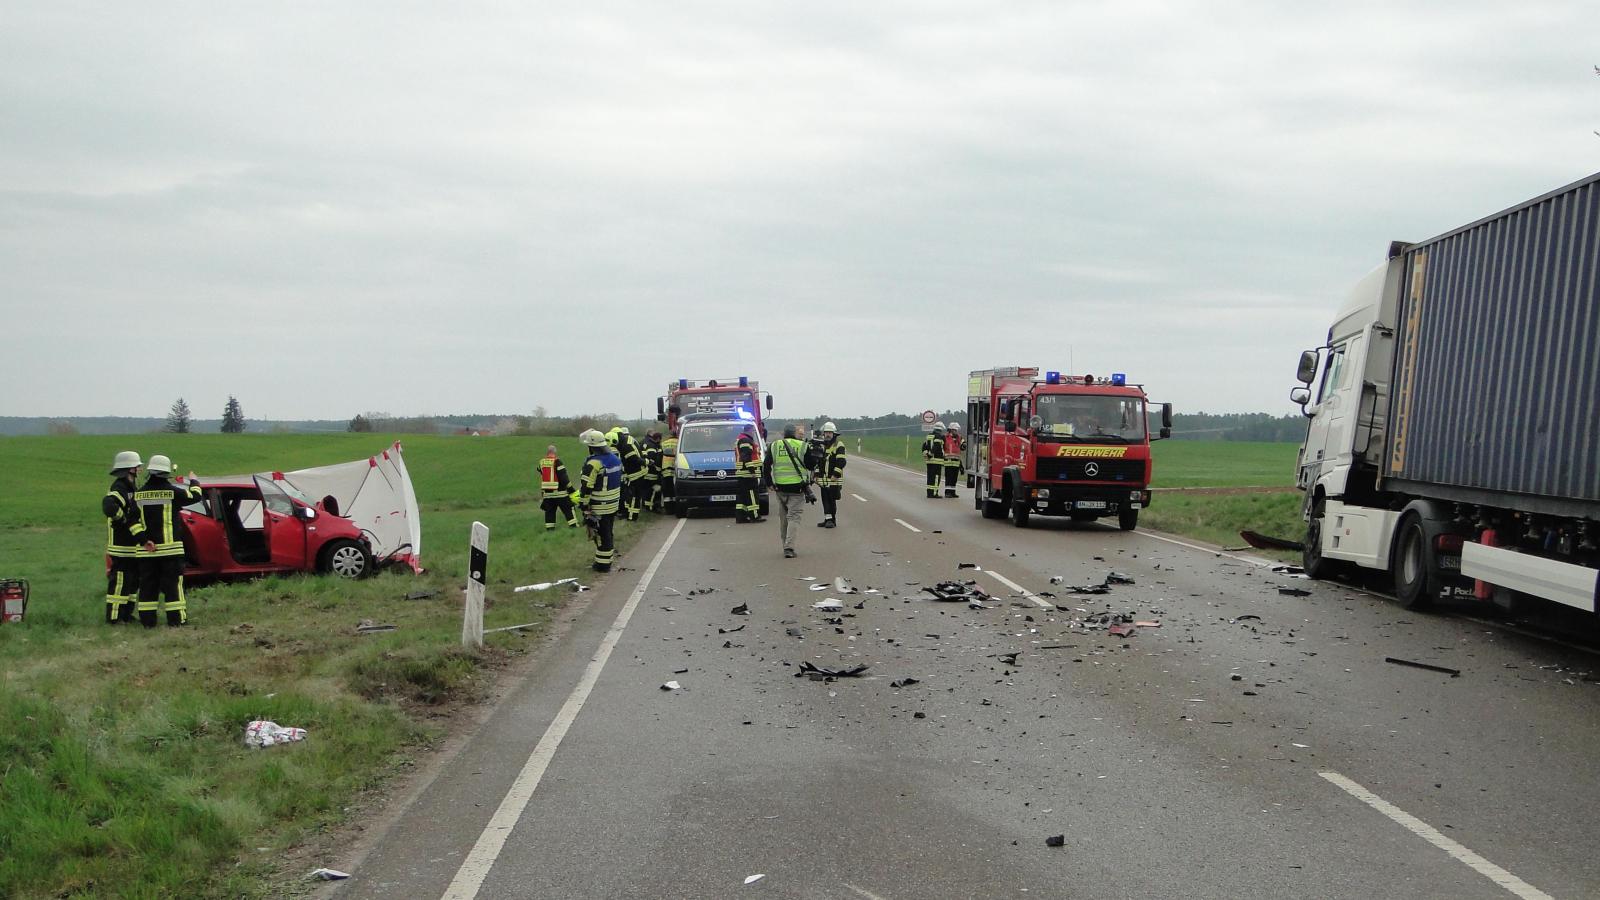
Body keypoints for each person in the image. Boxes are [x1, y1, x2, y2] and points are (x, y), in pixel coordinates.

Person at [133, 454, 203, 627]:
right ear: (166, 473)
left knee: (148, 587)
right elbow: (195, 496)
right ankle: (176, 620)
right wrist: (194, 481)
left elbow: (132, 522)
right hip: (170, 551)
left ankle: (148, 622)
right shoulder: (173, 492)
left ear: (150, 472)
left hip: (146, 552)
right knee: (173, 586)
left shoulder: (138, 495)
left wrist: (144, 540)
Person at [102, 450, 147, 624]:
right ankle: (114, 617)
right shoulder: (119, 487)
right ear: (130, 469)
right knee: (120, 583)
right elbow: (109, 506)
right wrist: (124, 519)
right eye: (137, 467)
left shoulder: (131, 487)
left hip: (133, 546)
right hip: (121, 546)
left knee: (132, 583)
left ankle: (127, 615)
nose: (140, 470)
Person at [763, 423, 813, 558]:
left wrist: (769, 483)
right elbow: (810, 465)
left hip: (780, 487)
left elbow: (766, 465)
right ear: (795, 433)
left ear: (783, 433)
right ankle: (789, 548)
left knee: (784, 518)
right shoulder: (802, 445)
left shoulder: (774, 445)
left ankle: (784, 544)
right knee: (794, 517)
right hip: (797, 487)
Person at [577, 429, 623, 572]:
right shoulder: (615, 459)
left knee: (602, 535)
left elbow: (586, 487)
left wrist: (583, 505)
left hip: (599, 505)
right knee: (608, 532)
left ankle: (603, 565)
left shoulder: (593, 464)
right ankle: (604, 560)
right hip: (613, 504)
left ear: (591, 447)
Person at [810, 422, 847, 528]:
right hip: (823, 478)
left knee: (831, 499)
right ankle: (827, 519)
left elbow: (841, 461)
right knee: (825, 499)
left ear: (834, 434)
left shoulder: (839, 445)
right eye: (826, 432)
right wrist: (816, 475)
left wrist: (835, 474)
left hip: (834, 479)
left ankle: (832, 520)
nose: (828, 434)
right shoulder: (823, 445)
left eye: (830, 433)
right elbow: (818, 462)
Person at [537, 445, 578, 531]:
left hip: (547, 494)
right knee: (568, 509)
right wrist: (571, 489)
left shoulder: (541, 462)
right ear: (555, 452)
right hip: (560, 493)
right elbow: (564, 477)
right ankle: (574, 527)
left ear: (547, 452)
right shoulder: (557, 461)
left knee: (549, 512)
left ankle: (550, 530)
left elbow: (543, 474)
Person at [608, 426, 645, 522]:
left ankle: (631, 516)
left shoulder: (625, 446)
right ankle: (629, 513)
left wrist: (646, 462)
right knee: (630, 494)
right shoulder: (629, 440)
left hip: (634, 473)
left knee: (633, 495)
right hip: (635, 472)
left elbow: (633, 459)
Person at [734, 428, 763, 523]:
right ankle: (754, 516)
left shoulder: (740, 439)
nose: (753, 433)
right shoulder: (746, 441)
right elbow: (746, 457)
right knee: (752, 496)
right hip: (748, 475)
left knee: (742, 497)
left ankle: (741, 517)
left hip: (743, 474)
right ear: (749, 431)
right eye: (753, 431)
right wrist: (752, 471)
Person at [640, 430, 664, 513]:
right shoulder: (652, 447)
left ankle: (647, 506)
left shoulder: (648, 443)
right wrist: (657, 469)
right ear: (658, 439)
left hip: (648, 472)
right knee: (653, 490)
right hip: (652, 473)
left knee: (648, 490)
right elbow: (653, 460)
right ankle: (650, 507)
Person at [922, 423, 946, 499]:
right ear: (940, 429)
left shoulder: (929, 436)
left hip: (929, 461)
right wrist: (931, 454)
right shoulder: (939, 436)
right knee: (936, 477)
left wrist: (926, 454)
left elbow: (924, 446)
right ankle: (934, 493)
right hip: (937, 460)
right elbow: (937, 446)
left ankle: (929, 493)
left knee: (930, 477)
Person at [943, 422, 964, 499]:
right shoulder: (945, 437)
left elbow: (963, 445)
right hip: (948, 462)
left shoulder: (959, 437)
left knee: (954, 479)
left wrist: (964, 445)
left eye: (956, 430)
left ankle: (953, 492)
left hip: (956, 462)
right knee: (949, 478)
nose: (956, 432)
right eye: (955, 430)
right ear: (951, 430)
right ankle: (947, 493)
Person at [660, 428, 679, 509]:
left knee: (667, 489)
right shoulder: (679, 442)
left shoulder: (664, 443)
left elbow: (660, 456)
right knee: (675, 489)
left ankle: (668, 508)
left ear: (670, 435)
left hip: (665, 469)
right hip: (676, 468)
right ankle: (676, 507)